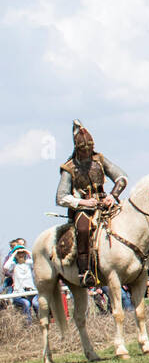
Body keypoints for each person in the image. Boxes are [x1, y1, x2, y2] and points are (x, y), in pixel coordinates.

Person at [54, 121, 128, 287]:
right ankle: (84, 271)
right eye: (83, 150)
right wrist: (83, 202)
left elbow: (121, 177)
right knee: (82, 229)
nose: (87, 153)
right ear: (77, 148)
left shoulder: (99, 159)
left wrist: (112, 195)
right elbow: (61, 197)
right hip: (82, 208)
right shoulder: (69, 167)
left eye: (89, 149)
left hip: (104, 202)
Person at [4, 247, 38, 322]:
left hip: (31, 291)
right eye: (19, 254)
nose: (21, 255)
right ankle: (28, 326)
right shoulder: (14, 265)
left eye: (22, 253)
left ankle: (41, 323)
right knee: (26, 304)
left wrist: (26, 251)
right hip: (19, 293)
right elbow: (6, 267)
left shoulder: (29, 263)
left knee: (36, 304)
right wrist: (14, 254)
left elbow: (37, 260)